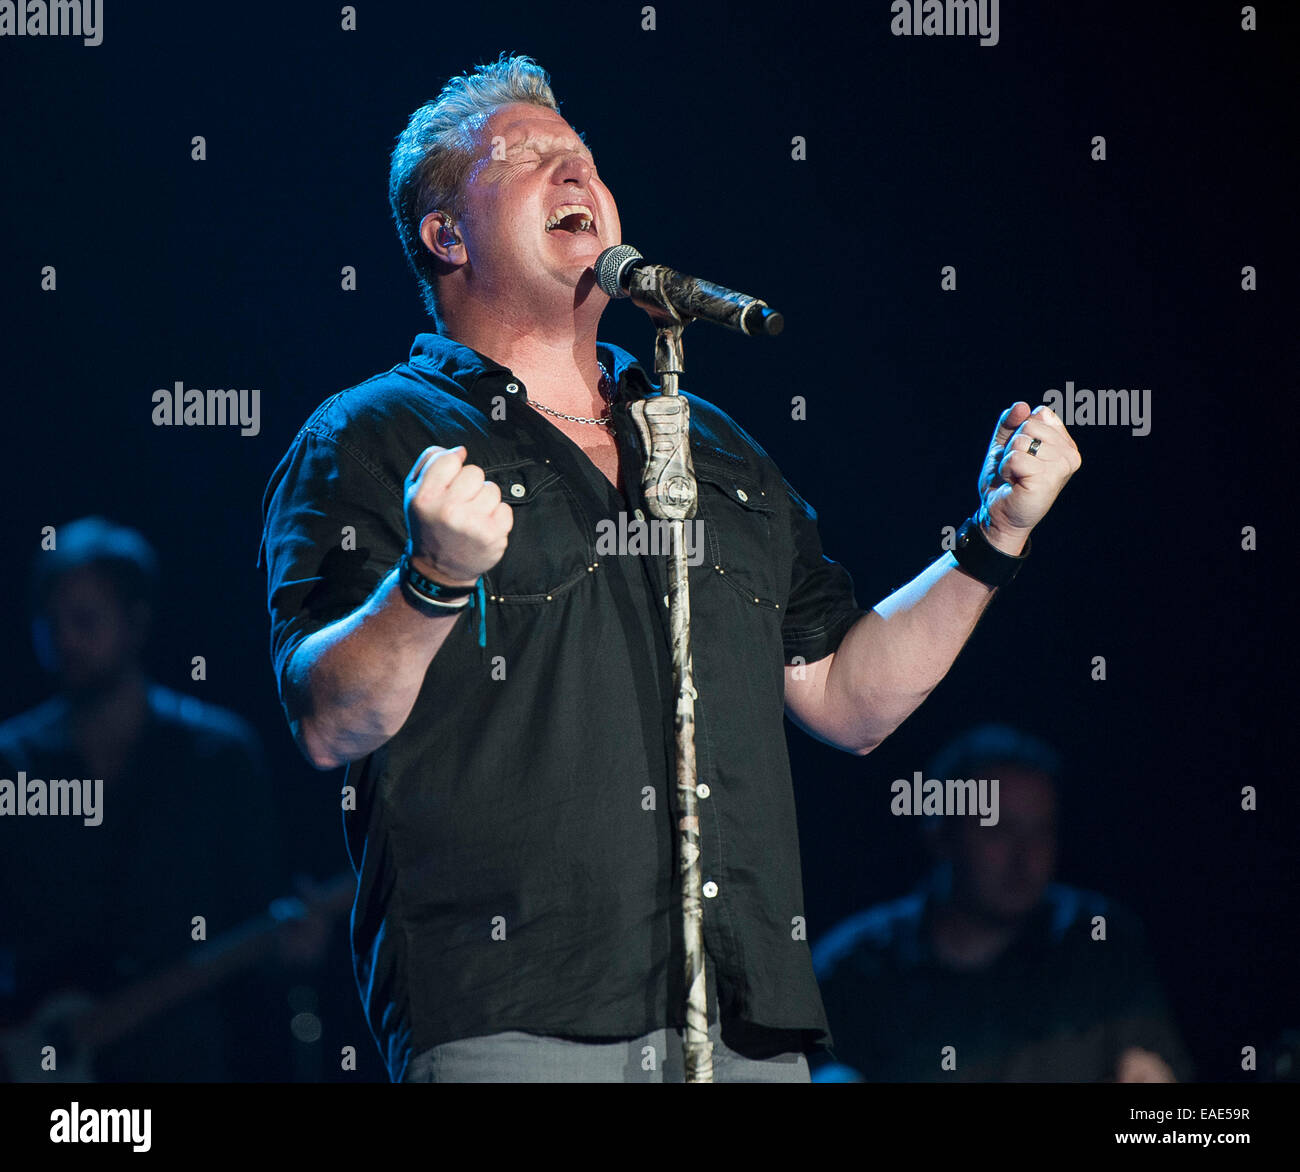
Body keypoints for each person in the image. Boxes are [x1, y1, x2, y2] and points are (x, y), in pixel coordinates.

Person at [258, 53, 1081, 1083]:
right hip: (520, 1020)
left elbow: (846, 697)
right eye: (524, 157)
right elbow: (328, 720)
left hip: (747, 1025)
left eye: (583, 158)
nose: (574, 173)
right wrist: (430, 580)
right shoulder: (373, 435)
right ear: (445, 235)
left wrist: (993, 535)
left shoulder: (715, 446)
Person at [0, 518, 289, 1081]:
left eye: (85, 620)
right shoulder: (11, 762)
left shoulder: (219, 755)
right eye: (51, 622)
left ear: (136, 622)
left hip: (185, 1060)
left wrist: (291, 950)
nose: (65, 641)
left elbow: (257, 905)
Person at [810, 725, 1193, 1082]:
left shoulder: (1101, 945)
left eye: (1041, 831)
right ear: (941, 834)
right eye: (998, 829)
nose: (1025, 857)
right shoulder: (852, 970)